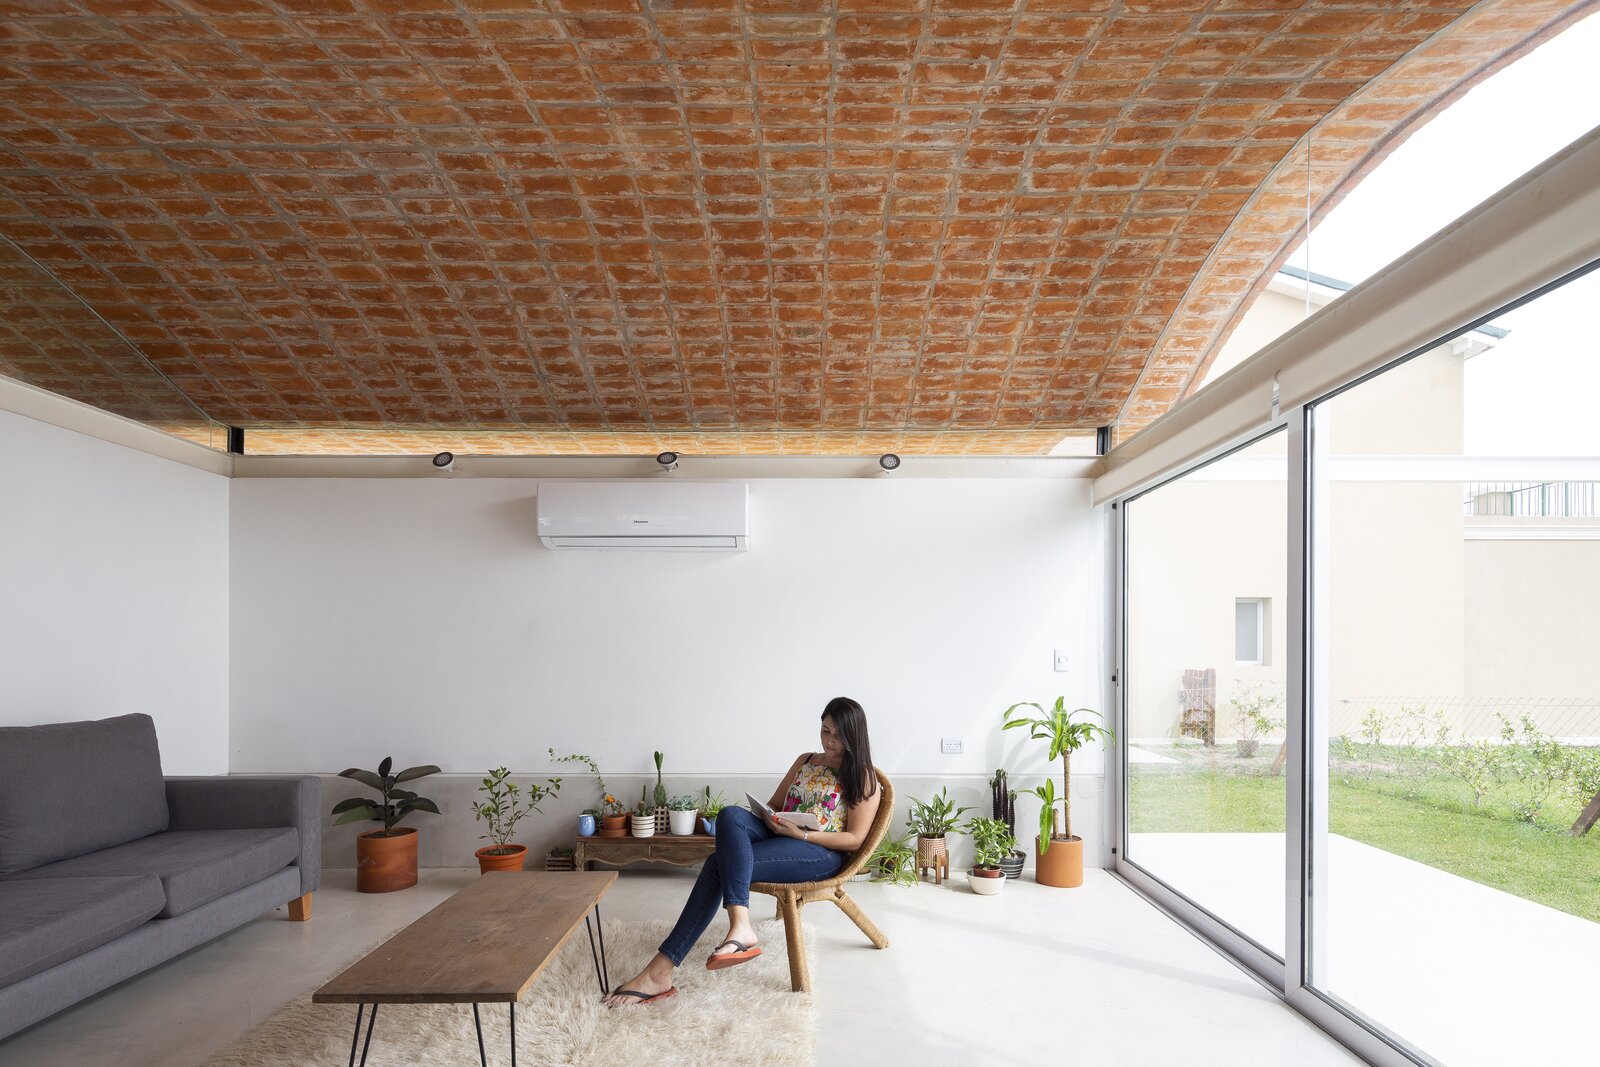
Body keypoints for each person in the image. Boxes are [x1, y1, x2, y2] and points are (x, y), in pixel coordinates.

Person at [602, 696, 881, 1006]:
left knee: (716, 863)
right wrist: (771, 817)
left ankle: (661, 971)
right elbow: (776, 805)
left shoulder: (863, 774)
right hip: (783, 835)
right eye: (825, 731)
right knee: (730, 814)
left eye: (838, 735)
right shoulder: (806, 760)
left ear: (854, 735)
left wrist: (801, 835)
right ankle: (739, 927)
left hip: (817, 853)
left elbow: (854, 839)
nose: (829, 741)